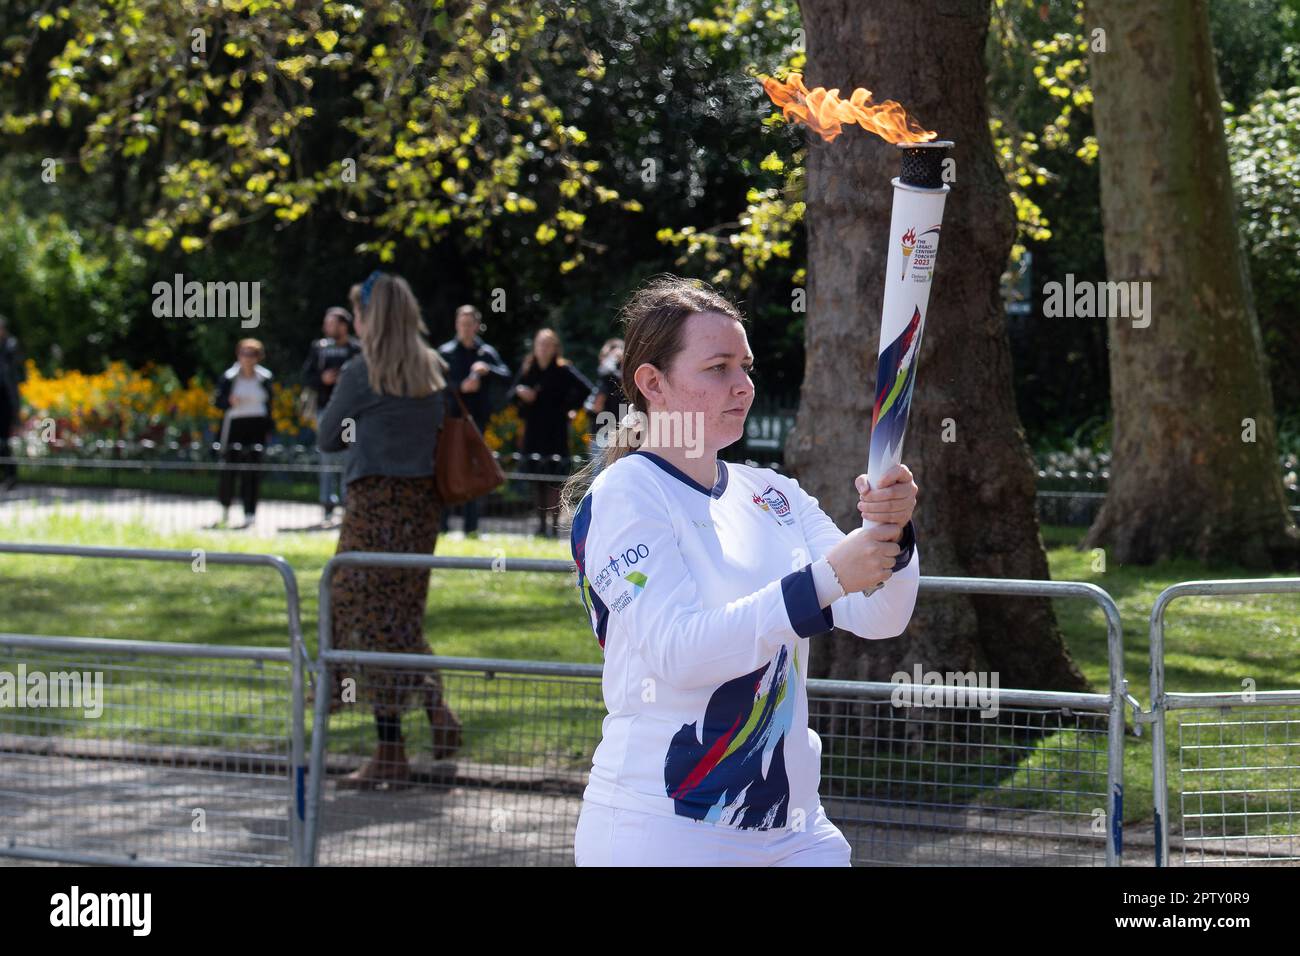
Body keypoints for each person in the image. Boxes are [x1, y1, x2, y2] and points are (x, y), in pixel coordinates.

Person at [562, 275, 920, 867]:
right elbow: (679, 651)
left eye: (746, 366)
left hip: (797, 828)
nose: (743, 387)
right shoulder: (626, 493)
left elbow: (880, 614)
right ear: (652, 383)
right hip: (664, 827)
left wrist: (894, 532)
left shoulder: (773, 493)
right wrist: (828, 578)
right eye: (718, 368)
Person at [316, 270, 463, 788]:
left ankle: (392, 751)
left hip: (373, 505)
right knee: (400, 618)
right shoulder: (433, 368)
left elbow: (326, 438)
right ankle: (428, 708)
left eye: (358, 311)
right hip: (420, 509)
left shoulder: (362, 372)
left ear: (370, 318)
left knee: (355, 612)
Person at [437, 304, 512, 536]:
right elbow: (435, 385)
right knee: (448, 468)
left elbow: (508, 377)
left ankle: (472, 526)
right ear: (456, 325)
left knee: (474, 469)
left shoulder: (486, 353)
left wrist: (487, 369)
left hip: (477, 422)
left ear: (477, 326)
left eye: (470, 324)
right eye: (462, 324)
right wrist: (461, 386)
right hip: (450, 420)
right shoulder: (445, 352)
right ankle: (443, 525)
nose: (466, 328)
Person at [511, 328, 593, 537]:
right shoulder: (529, 368)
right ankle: (540, 526)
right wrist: (521, 393)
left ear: (555, 348)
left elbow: (586, 388)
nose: (544, 349)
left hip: (556, 429)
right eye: (541, 344)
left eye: (548, 344)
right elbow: (510, 394)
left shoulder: (563, 369)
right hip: (534, 429)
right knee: (537, 477)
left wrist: (570, 408)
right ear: (535, 347)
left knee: (555, 478)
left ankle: (554, 526)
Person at [303, 306, 362, 523]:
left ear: (344, 325)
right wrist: (323, 379)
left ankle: (348, 505)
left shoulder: (356, 350)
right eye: (326, 323)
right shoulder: (319, 348)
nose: (327, 327)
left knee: (348, 458)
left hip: (349, 415)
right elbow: (307, 377)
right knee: (326, 458)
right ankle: (326, 505)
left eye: (332, 323)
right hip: (325, 412)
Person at [212, 339, 276, 529]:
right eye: (244, 354)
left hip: (257, 425)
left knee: (252, 470)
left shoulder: (264, 377)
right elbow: (218, 401)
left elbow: (270, 405)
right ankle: (224, 510)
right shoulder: (230, 377)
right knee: (229, 469)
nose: (247, 358)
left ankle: (250, 513)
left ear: (258, 357)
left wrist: (269, 430)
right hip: (234, 424)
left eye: (252, 354)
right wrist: (228, 400)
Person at [584, 337, 626, 478]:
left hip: (603, 435)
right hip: (625, 435)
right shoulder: (629, 380)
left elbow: (597, 406)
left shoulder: (606, 379)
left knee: (599, 480)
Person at [0, 316, 25, 491]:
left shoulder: (11, 345)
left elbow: (14, 375)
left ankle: (11, 476)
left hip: (7, 400)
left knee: (5, 441)